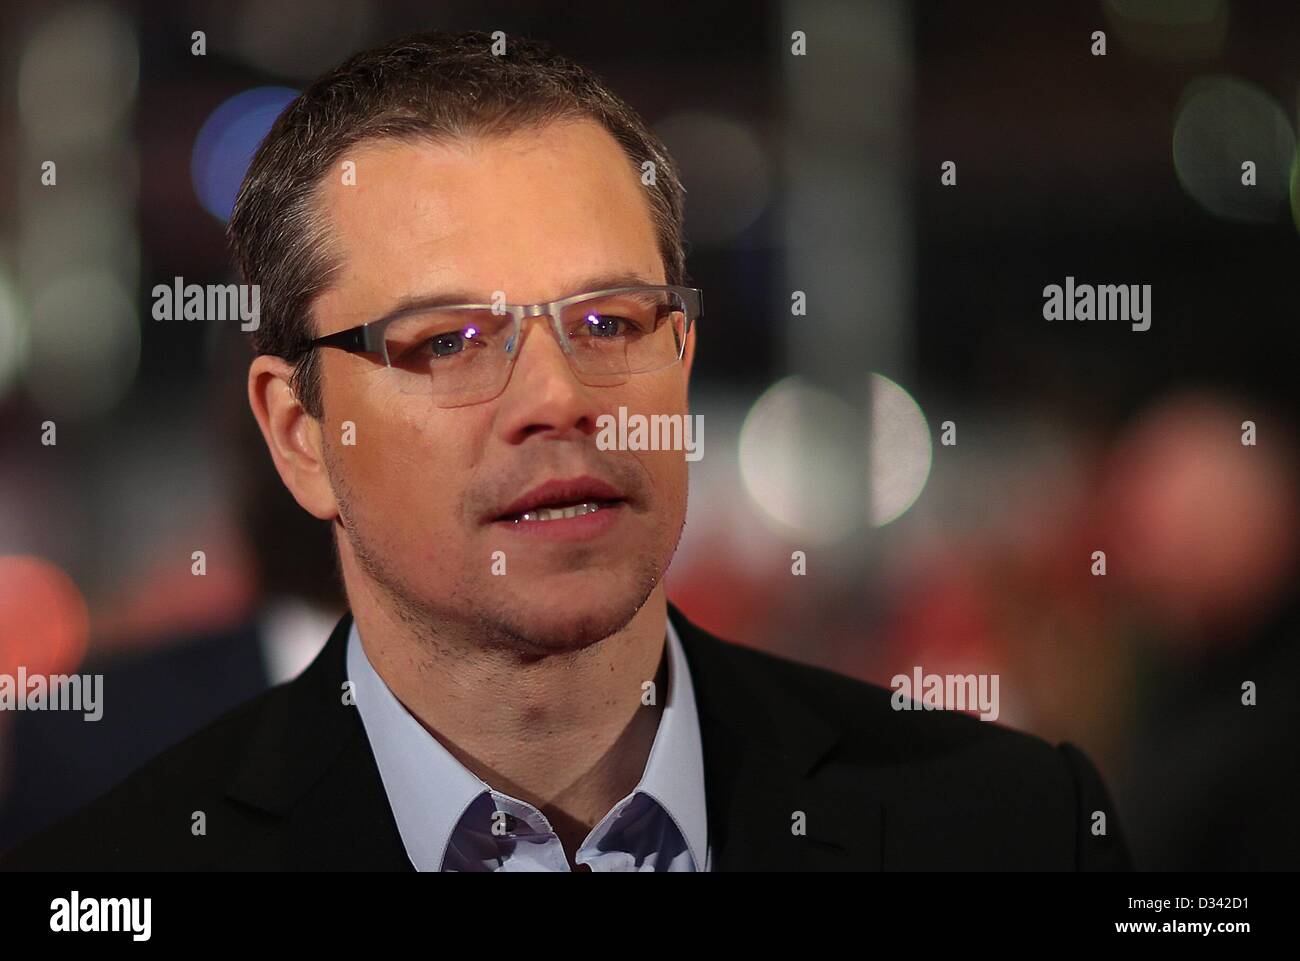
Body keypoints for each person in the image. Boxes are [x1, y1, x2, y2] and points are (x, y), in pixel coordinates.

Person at [1, 30, 1131, 871]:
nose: (557, 399)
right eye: (446, 341)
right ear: (300, 436)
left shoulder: (1008, 830)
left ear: (680, 357)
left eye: (608, 323)